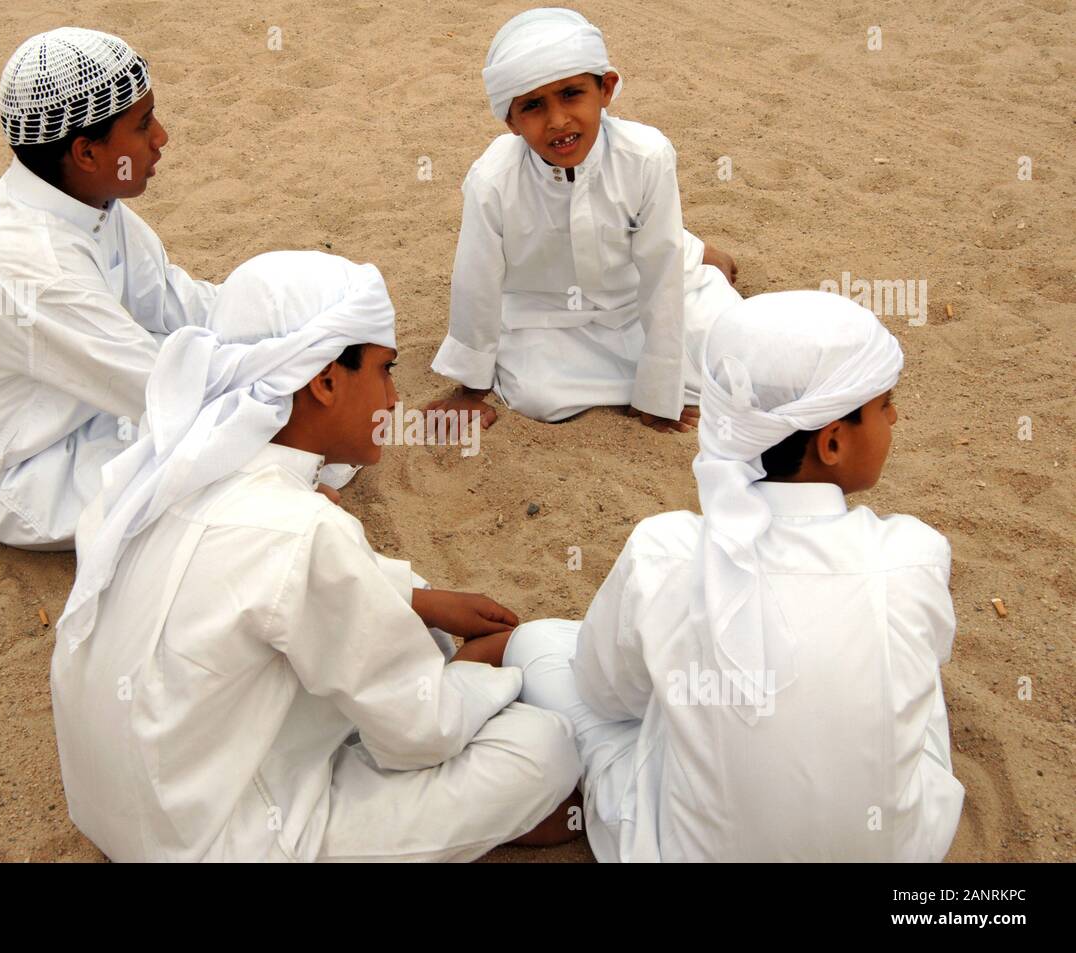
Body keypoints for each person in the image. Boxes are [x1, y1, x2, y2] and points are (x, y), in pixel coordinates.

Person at [50, 251, 581, 862]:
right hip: (224, 840)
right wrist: (480, 669)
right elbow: (422, 734)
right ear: (326, 381)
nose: (393, 398)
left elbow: (277, 585)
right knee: (541, 749)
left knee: (384, 639)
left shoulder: (147, 480)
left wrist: (415, 599)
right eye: (385, 371)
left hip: (126, 810)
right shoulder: (302, 528)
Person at [502, 290, 965, 861]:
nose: (893, 417)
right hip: (900, 854)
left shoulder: (665, 550)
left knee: (540, 644)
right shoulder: (915, 554)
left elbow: (607, 696)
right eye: (884, 404)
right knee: (912, 680)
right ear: (832, 441)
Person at [0, 28, 357, 550]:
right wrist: (290, 447)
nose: (161, 137)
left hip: (90, 401)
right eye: (143, 124)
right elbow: (161, 392)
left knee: (305, 324)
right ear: (86, 152)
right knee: (292, 451)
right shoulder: (31, 266)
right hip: (32, 473)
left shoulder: (85, 200)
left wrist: (297, 327)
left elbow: (174, 303)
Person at [426, 8, 740, 434]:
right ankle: (695, 251)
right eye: (533, 106)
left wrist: (658, 391)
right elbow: (475, 283)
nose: (558, 121)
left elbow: (660, 272)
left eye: (571, 94)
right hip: (551, 313)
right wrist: (471, 389)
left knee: (730, 356)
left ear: (605, 89)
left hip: (636, 292)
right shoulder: (492, 181)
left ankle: (697, 253)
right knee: (537, 396)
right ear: (511, 121)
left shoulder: (646, 155)